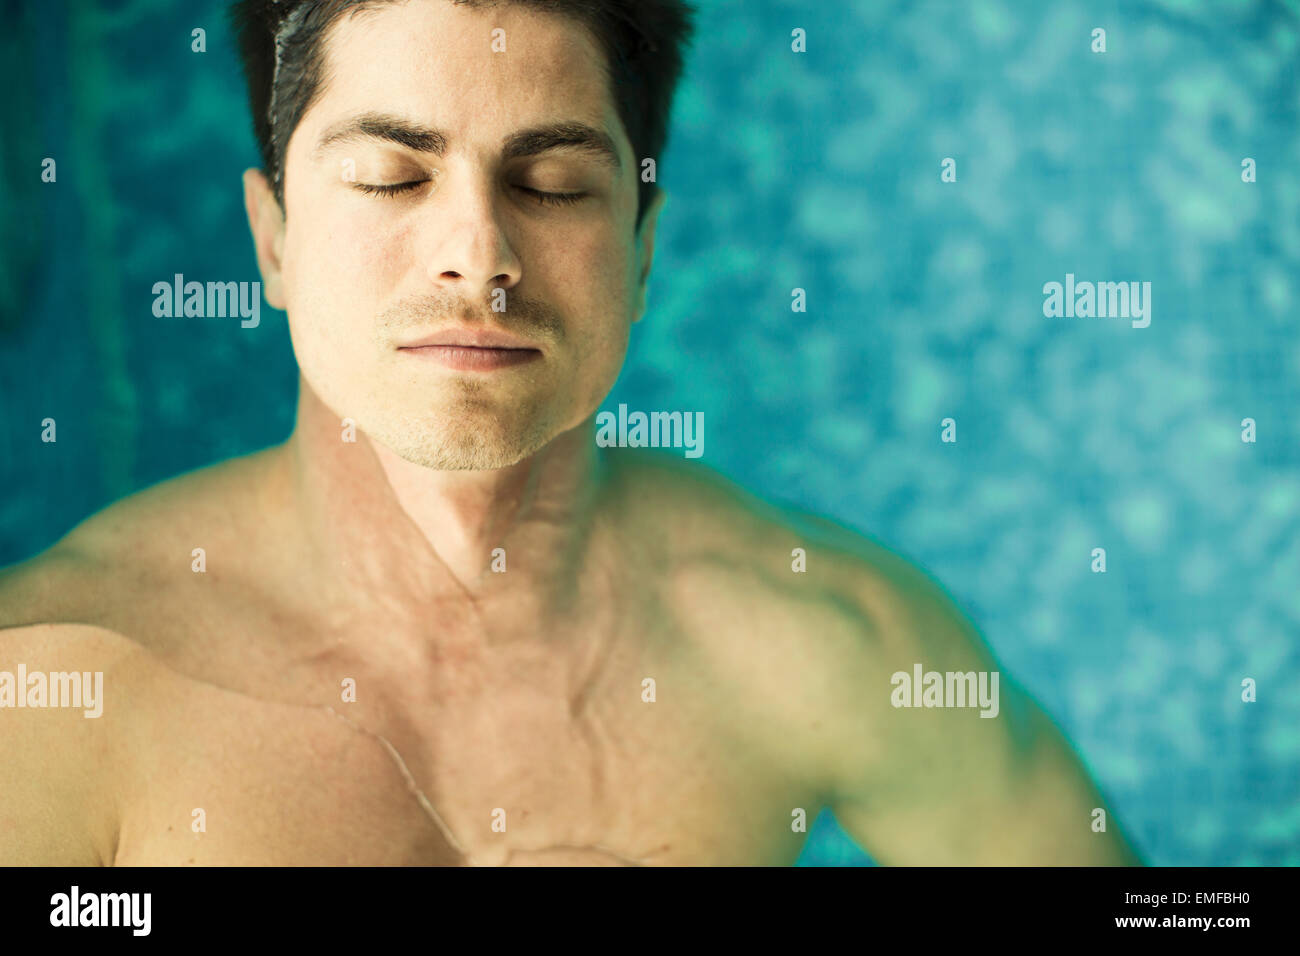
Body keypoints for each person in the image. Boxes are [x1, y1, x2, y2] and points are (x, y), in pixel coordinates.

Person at [0, 0, 1142, 866]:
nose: (477, 252)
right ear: (275, 240)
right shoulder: (54, 691)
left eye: (548, 183)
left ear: (643, 251)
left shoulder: (826, 632)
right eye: (394, 177)